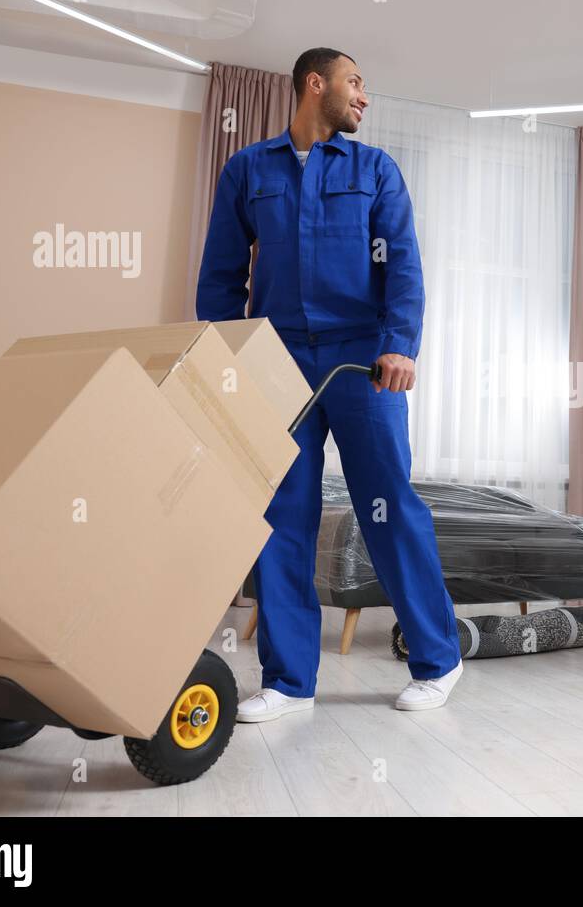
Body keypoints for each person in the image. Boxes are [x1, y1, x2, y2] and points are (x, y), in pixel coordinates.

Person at [197, 47, 463, 718]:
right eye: (356, 83)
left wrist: (400, 344)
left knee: (387, 503)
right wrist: (228, 356)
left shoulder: (375, 170)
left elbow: (403, 265)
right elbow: (222, 274)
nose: (364, 97)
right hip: (277, 358)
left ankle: (438, 658)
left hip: (361, 360)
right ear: (316, 85)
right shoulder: (247, 169)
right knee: (283, 512)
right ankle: (289, 680)